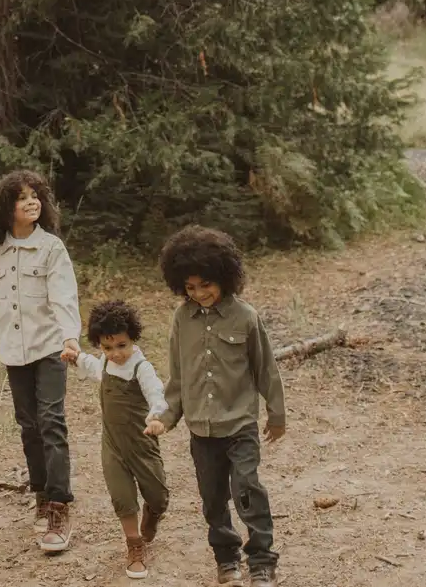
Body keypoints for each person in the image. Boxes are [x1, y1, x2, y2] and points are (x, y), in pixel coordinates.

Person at [144, 226, 285, 587]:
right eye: (190, 288)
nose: (199, 293)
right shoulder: (181, 319)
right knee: (213, 499)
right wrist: (165, 417)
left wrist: (277, 413)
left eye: (206, 284)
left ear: (224, 276)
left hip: (240, 425)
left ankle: (262, 562)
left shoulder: (246, 317)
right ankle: (226, 559)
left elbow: (265, 368)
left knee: (248, 488)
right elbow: (177, 380)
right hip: (201, 430)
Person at [0, 170, 81, 555]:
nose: (31, 201)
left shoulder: (51, 248)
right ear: (7, 207)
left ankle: (59, 505)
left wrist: (71, 337)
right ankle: (40, 492)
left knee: (52, 422)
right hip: (14, 352)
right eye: (22, 197)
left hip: (51, 347)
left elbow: (64, 297)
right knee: (29, 426)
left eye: (35, 195)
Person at [62, 299, 169, 580]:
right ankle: (134, 546)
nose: (115, 354)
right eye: (107, 348)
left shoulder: (141, 368)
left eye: (121, 346)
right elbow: (92, 367)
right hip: (113, 444)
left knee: (158, 496)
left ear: (132, 339)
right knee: (122, 497)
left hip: (141, 443)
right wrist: (75, 357)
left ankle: (153, 515)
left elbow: (156, 393)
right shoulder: (105, 364)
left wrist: (157, 417)